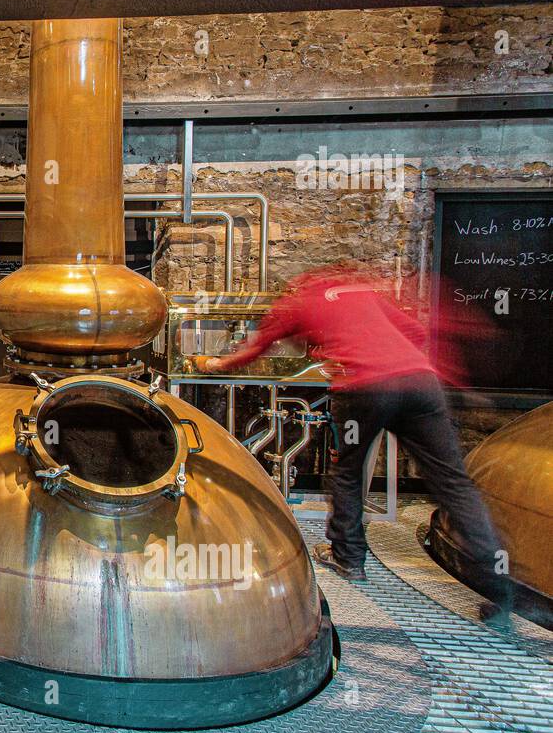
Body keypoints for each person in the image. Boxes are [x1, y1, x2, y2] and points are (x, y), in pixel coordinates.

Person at [200, 262, 511, 615]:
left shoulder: (298, 302)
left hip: (365, 388)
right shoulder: (363, 293)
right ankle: (498, 583)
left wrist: (212, 365)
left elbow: (254, 351)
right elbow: (415, 331)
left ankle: (348, 558)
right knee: (453, 482)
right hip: (421, 382)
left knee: (347, 471)